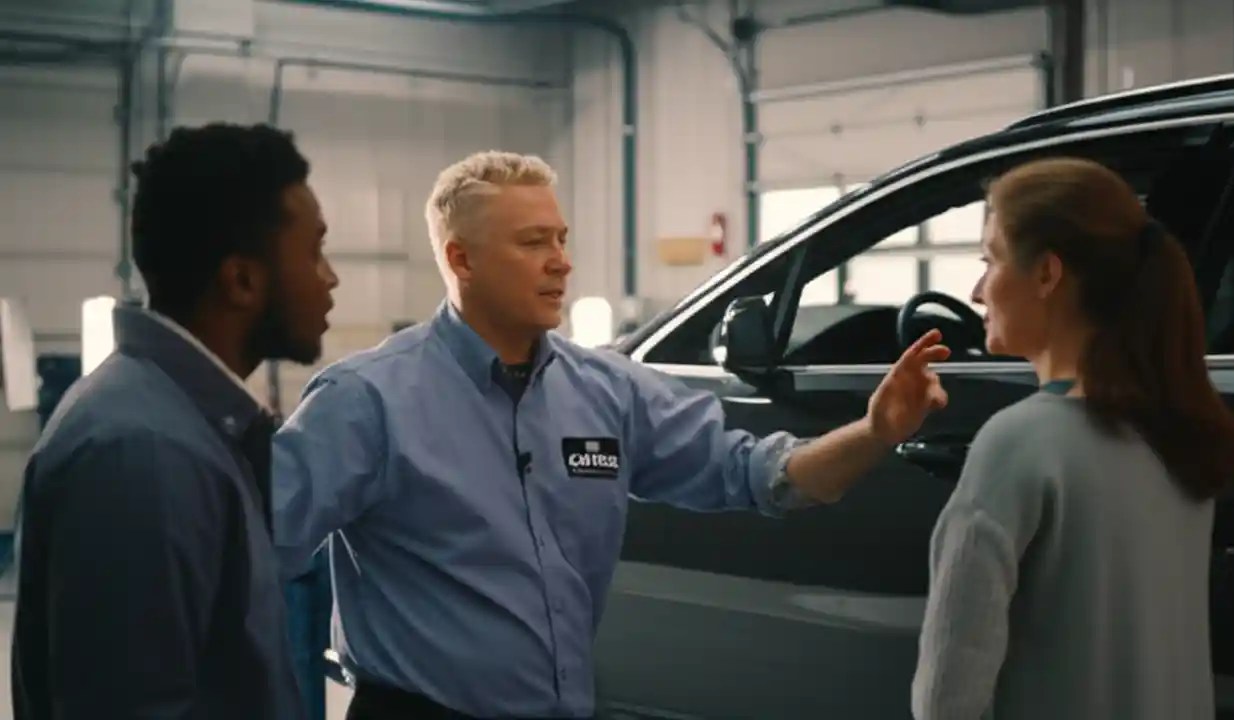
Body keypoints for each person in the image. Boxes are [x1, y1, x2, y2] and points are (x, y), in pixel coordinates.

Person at [272, 150, 950, 720]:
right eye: (532, 243)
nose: (560, 262)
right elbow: (251, 556)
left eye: (561, 239)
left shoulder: (607, 392)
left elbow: (761, 476)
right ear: (462, 258)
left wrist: (874, 431)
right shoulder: (367, 401)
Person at [9, 122, 339, 719]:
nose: (330, 277)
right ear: (241, 280)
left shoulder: (182, 422)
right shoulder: (143, 451)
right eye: (314, 251)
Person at [910, 157, 1234, 720]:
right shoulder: (1180, 435)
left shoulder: (1021, 442)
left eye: (990, 260)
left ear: (1046, 274)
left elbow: (948, 697)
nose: (976, 290)